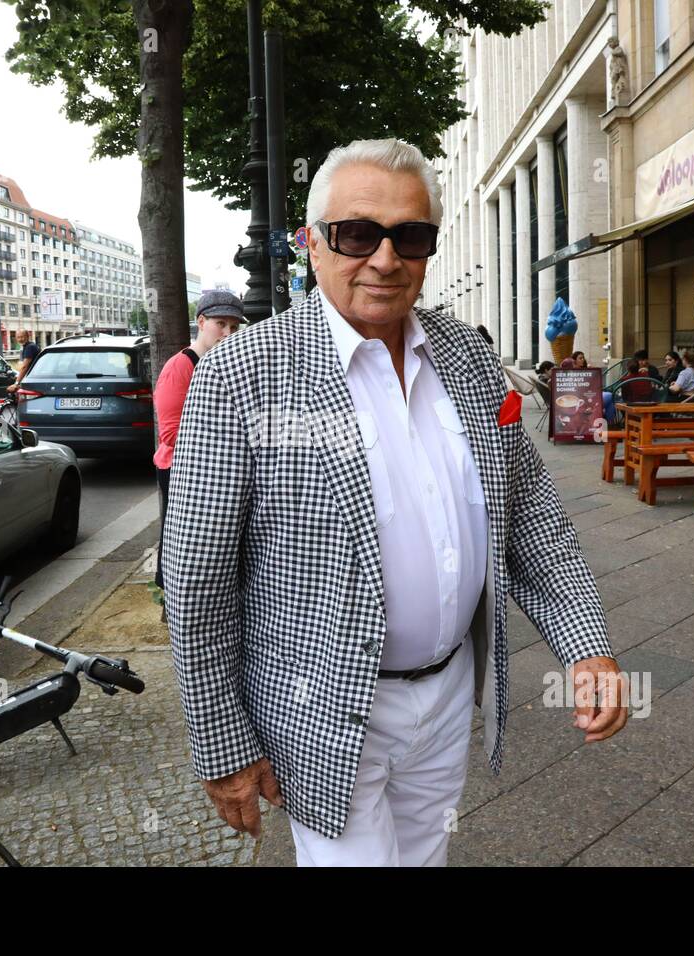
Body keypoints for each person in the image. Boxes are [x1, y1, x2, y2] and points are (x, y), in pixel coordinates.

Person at [163, 137, 626, 867]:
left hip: (448, 695)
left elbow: (531, 514)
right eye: (356, 234)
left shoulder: (468, 356)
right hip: (319, 711)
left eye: (409, 236)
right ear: (312, 244)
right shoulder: (240, 376)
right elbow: (197, 582)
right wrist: (224, 743)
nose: (384, 258)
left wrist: (585, 644)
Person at [152, 289, 244, 592]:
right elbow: (170, 434)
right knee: (183, 539)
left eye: (234, 326)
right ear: (202, 322)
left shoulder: (227, 364)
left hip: (212, 468)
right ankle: (172, 595)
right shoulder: (180, 367)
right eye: (221, 324)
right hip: (181, 469)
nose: (228, 333)